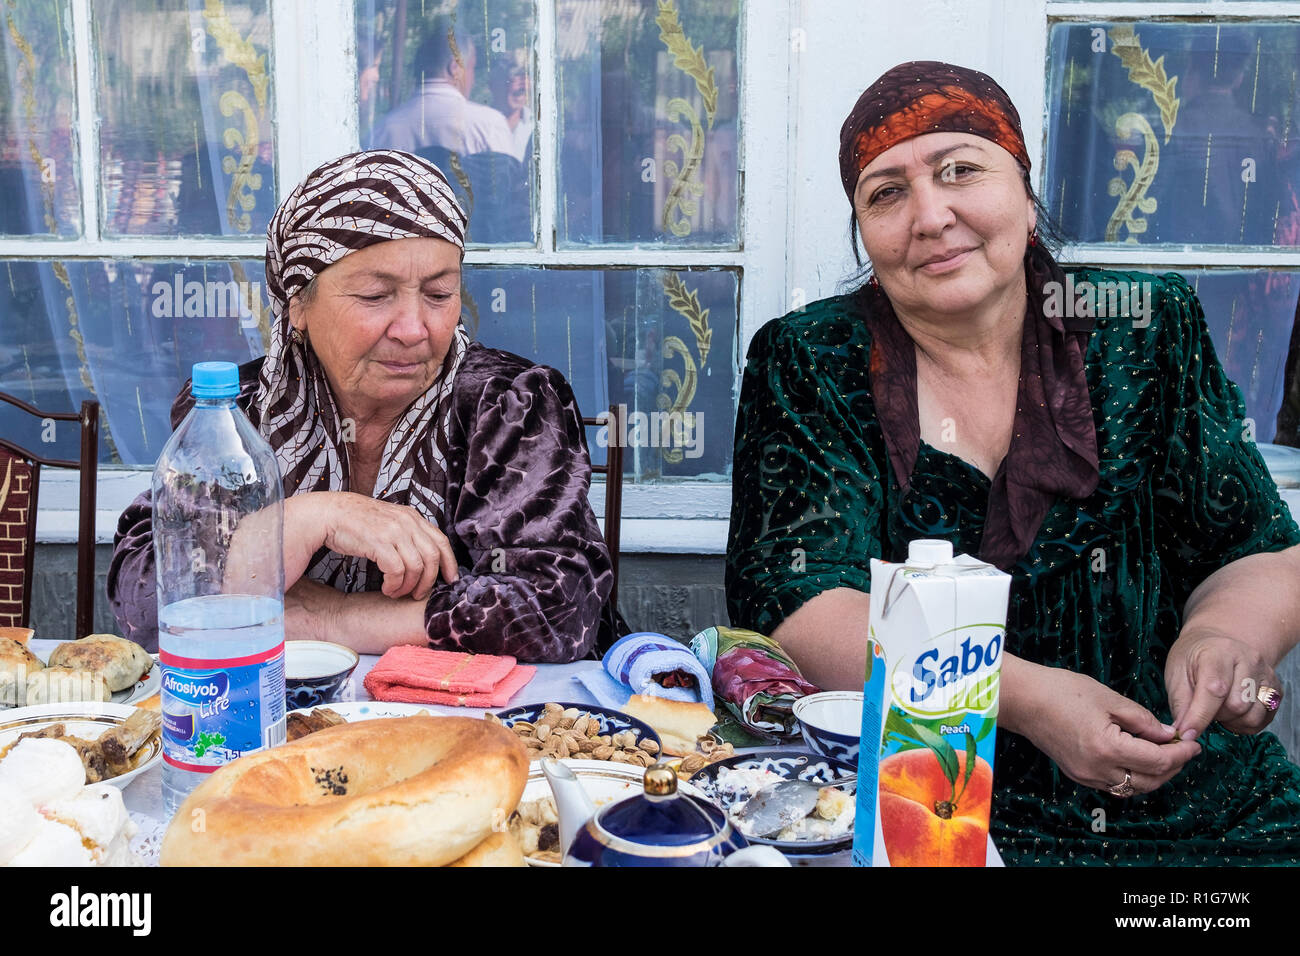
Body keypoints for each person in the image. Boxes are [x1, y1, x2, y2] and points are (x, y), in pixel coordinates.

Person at [725, 61, 1300, 865]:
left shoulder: (1144, 327)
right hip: (937, 813)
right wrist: (1027, 701)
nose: (930, 215)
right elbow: (797, 603)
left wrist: (1224, 638)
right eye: (885, 193)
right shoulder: (812, 358)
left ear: (1025, 198)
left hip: (1202, 799)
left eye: (960, 169)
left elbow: (1255, 549)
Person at [109, 149, 613, 663]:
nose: (415, 329)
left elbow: (557, 609)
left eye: (439, 294)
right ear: (297, 304)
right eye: (375, 296)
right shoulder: (237, 414)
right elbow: (145, 598)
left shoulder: (506, 404)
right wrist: (306, 519)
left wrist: (329, 617)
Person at [370, 24, 514, 157]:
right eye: (472, 68)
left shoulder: (382, 131)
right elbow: (505, 182)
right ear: (455, 68)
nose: (473, 79)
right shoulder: (489, 125)